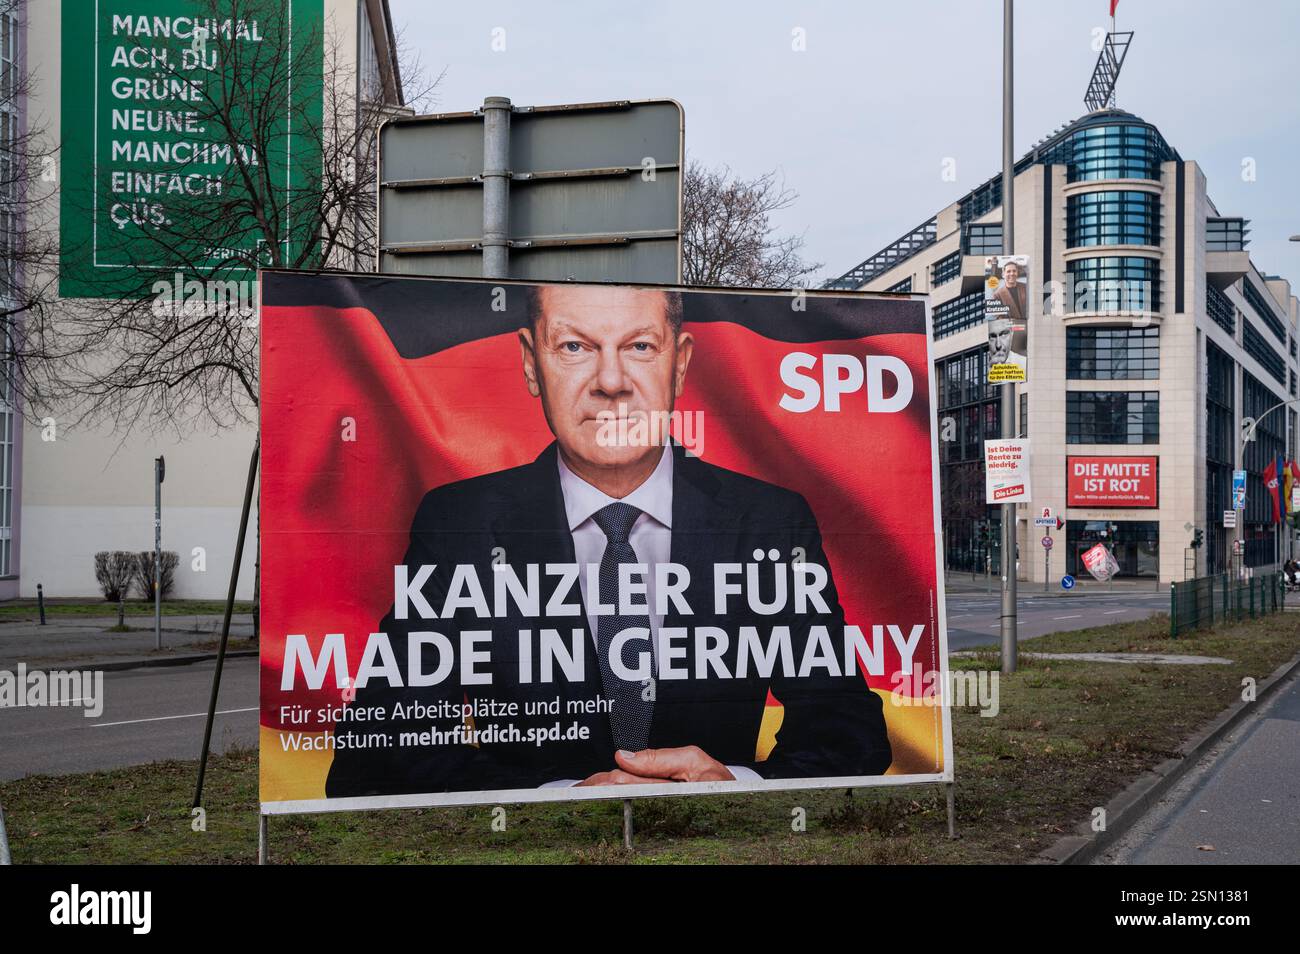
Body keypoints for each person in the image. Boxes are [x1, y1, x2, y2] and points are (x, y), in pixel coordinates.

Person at [324, 283, 893, 797]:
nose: (612, 382)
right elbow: (376, 757)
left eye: (641, 347)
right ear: (531, 363)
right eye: (575, 347)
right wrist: (556, 798)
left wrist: (733, 784)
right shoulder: (460, 525)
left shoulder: (769, 521)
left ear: (680, 363)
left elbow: (850, 739)